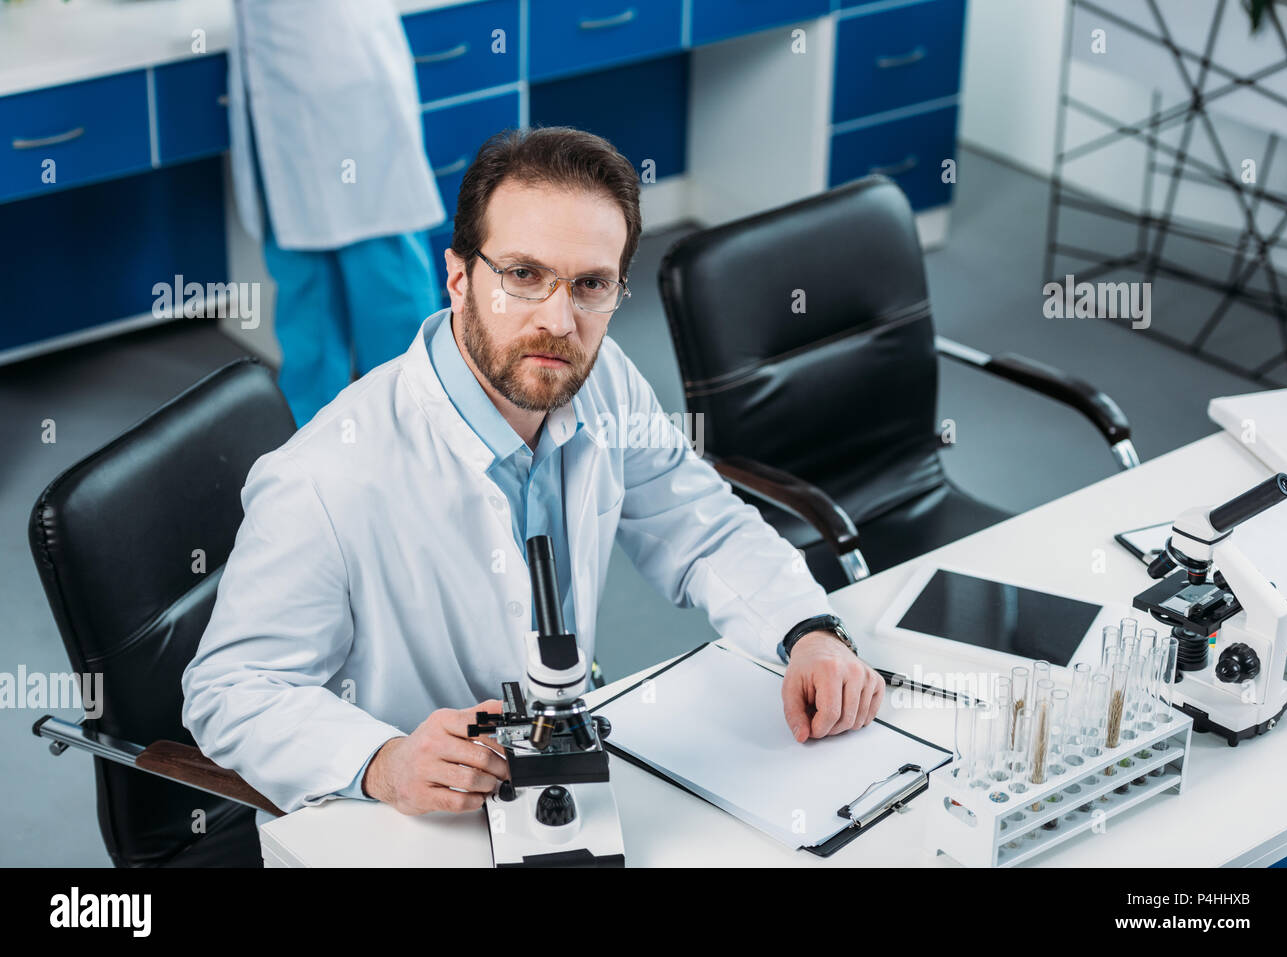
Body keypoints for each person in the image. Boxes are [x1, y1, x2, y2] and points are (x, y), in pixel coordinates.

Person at [182, 126, 885, 818]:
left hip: (554, 778)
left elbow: (698, 526)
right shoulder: (324, 478)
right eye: (523, 275)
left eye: (591, 285)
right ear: (458, 277)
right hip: (405, 822)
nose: (558, 318)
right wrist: (383, 761)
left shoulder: (604, 379)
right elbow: (231, 690)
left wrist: (808, 628)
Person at [227, 0, 444, 426]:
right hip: (280, 87)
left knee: (390, 300)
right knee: (306, 297)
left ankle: (426, 441)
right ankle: (309, 455)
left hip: (346, 83)